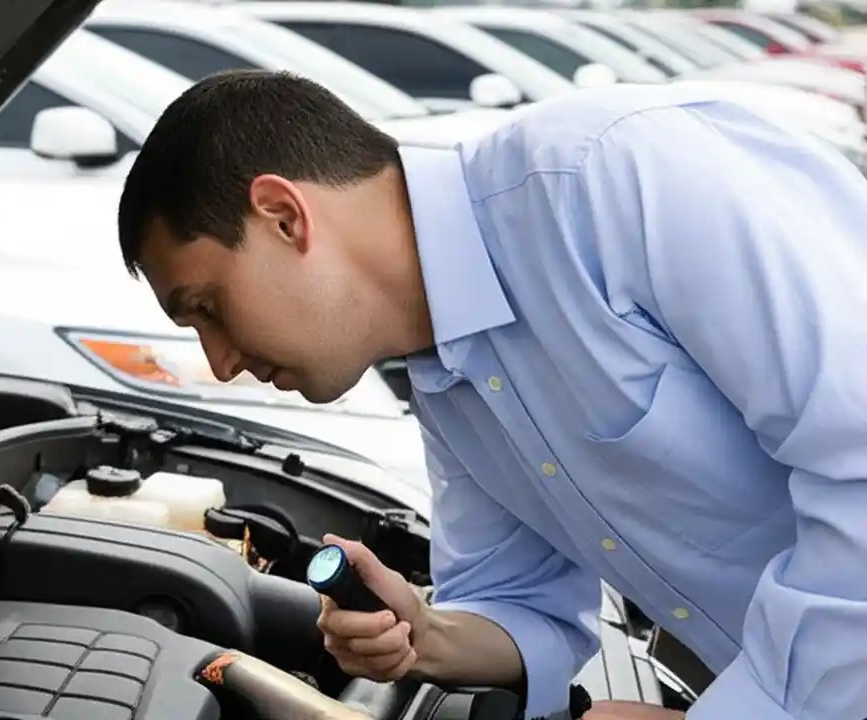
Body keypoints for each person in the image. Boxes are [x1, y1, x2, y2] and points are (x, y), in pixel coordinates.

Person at [114, 69, 867, 720]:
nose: (218, 365)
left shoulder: (613, 178)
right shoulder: (444, 374)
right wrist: (424, 636)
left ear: (284, 215)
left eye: (206, 306)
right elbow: (525, 605)